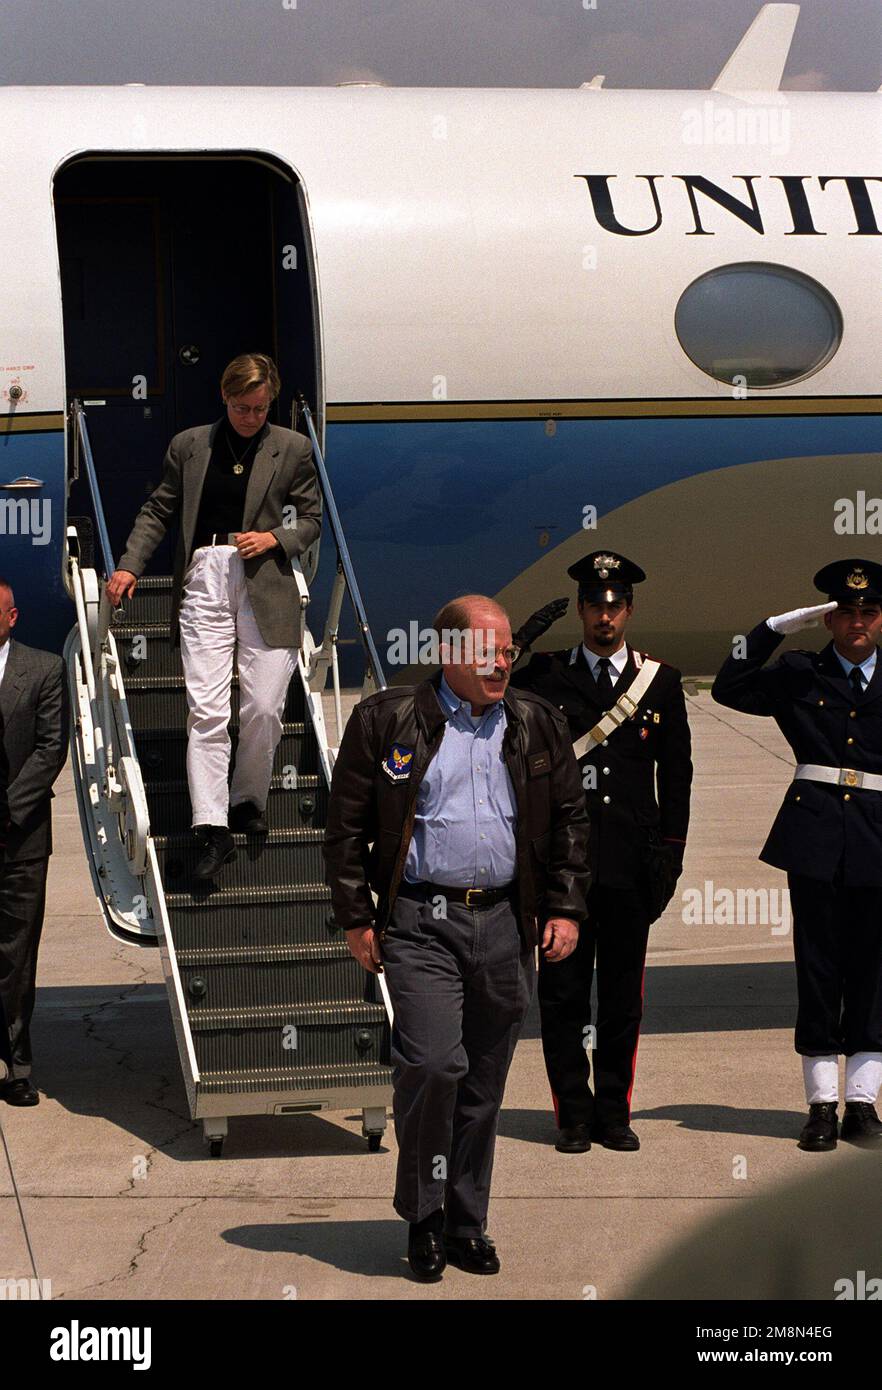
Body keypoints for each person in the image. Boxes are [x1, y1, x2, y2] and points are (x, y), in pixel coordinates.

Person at [323, 595, 589, 1281]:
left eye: (507, 652)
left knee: (483, 1085)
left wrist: (564, 908)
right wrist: (356, 917)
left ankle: (468, 1222)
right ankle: (424, 1215)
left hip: (505, 923)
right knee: (435, 1066)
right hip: (420, 923)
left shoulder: (536, 723)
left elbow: (568, 822)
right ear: (449, 655)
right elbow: (345, 827)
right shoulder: (387, 719)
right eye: (488, 652)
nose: (502, 662)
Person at [107, 353, 322, 880]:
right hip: (205, 573)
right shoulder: (190, 444)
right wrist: (131, 564)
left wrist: (275, 537)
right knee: (207, 711)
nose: (250, 417)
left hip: (265, 579)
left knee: (265, 708)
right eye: (240, 407)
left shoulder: (291, 447)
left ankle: (248, 799)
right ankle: (211, 827)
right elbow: (159, 508)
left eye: (259, 408)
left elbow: (313, 518)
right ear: (223, 399)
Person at [511, 550, 693, 1154]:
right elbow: (485, 691)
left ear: (629, 610)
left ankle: (614, 1112)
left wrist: (671, 856)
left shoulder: (659, 682)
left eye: (615, 606)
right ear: (583, 611)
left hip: (629, 866)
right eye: (595, 606)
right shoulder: (545, 674)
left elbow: (679, 776)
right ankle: (571, 1113)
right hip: (564, 868)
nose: (605, 617)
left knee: (621, 999)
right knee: (562, 997)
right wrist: (516, 642)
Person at [712, 558, 882, 1152]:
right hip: (815, 841)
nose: (857, 622)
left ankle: (862, 1104)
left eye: (868, 612)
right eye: (845, 613)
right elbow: (727, 685)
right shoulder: (798, 673)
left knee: (873, 973)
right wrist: (774, 627)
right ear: (829, 619)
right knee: (817, 970)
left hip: (878, 840)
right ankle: (820, 1106)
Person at [0, 579, 69, 1105]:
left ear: (13, 617)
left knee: (17, 958)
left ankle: (18, 1067)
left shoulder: (44, 669)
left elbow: (50, 750)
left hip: (20, 840)